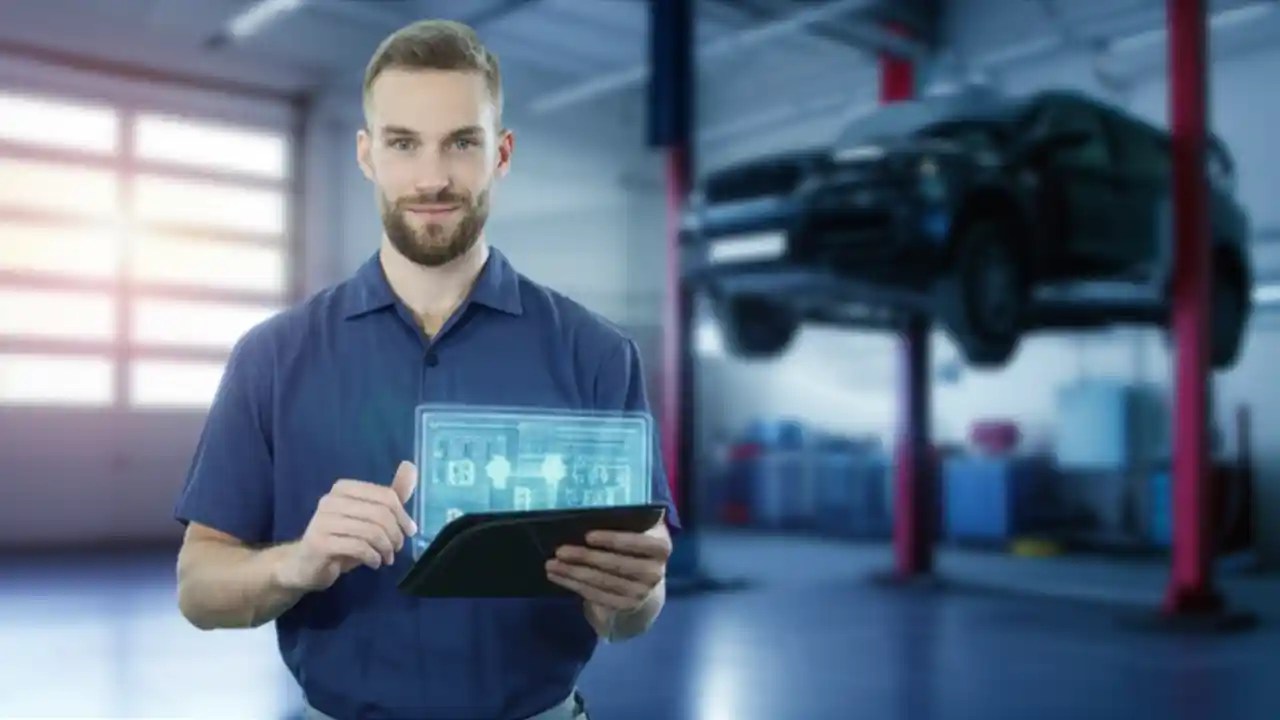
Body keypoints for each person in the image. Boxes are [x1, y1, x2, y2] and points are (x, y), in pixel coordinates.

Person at [173, 18, 680, 720]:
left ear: (500, 154)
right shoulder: (273, 357)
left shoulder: (596, 355)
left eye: (462, 143)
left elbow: (631, 616)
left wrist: (629, 594)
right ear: (366, 154)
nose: (433, 176)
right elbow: (199, 588)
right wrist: (298, 562)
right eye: (403, 143)